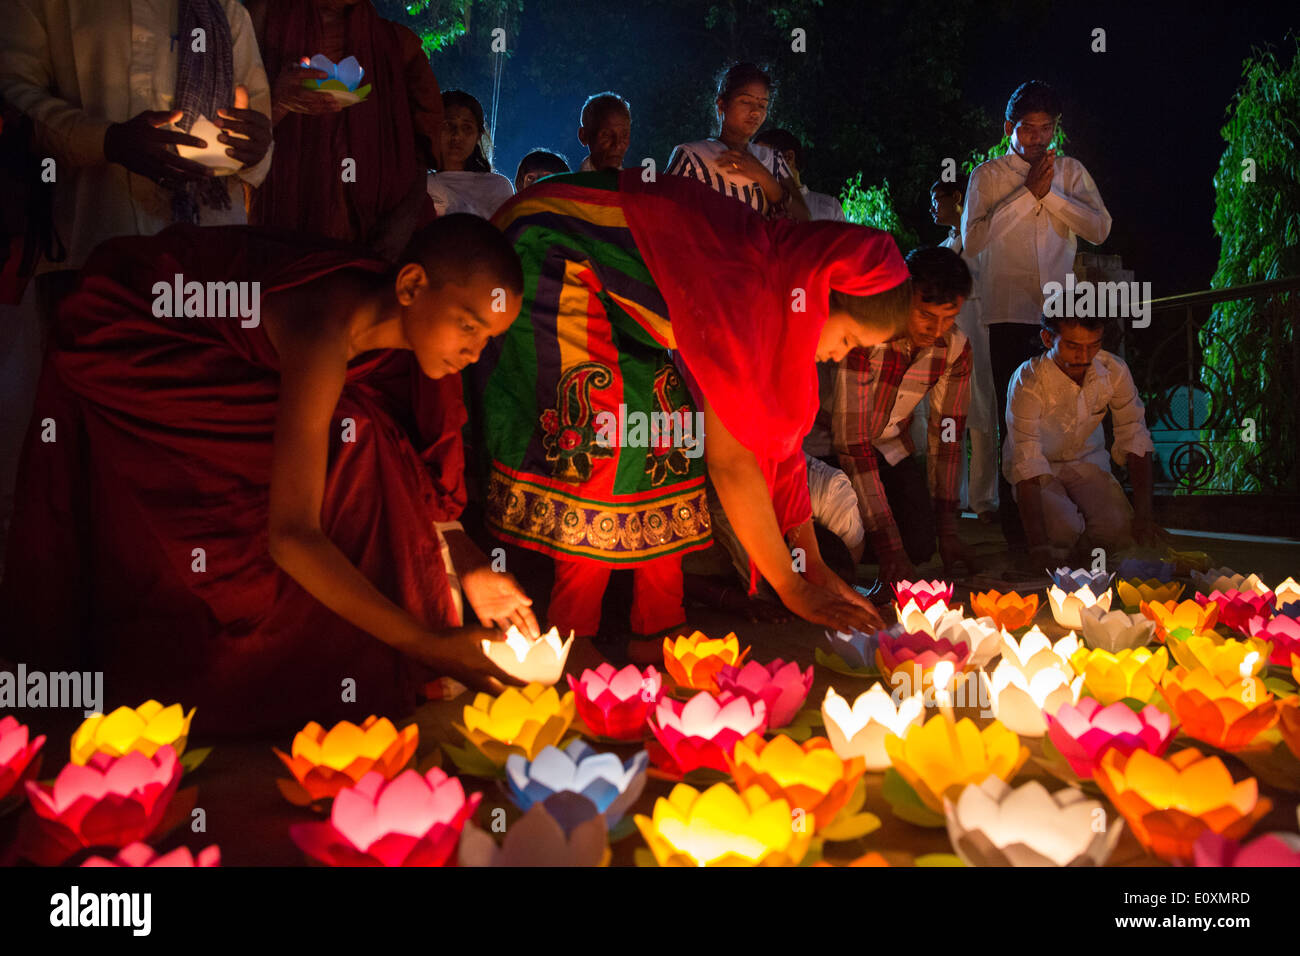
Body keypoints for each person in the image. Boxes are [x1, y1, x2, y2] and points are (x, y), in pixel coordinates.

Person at [0, 216, 537, 733]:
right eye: (469, 325)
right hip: (138, 346)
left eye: (490, 338)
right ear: (412, 284)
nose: (474, 351)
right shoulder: (321, 328)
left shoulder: (410, 352)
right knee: (351, 435)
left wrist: (469, 566)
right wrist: (424, 642)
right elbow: (291, 537)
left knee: (361, 430)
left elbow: (414, 470)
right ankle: (251, 656)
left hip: (226, 353)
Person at [476, 169, 908, 668]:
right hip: (548, 251)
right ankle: (569, 635)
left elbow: (781, 450)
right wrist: (791, 588)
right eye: (849, 340)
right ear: (819, 293)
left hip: (622, 308)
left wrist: (811, 565)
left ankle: (657, 626)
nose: (838, 356)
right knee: (606, 445)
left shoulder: (785, 285)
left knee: (671, 441)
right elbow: (733, 461)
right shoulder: (750, 288)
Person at [962, 80, 1112, 545]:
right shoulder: (987, 176)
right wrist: (1026, 194)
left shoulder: (1069, 171)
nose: (1037, 138)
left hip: (1061, 315)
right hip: (1007, 313)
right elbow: (972, 242)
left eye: (1046, 129)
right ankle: (1018, 531)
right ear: (1009, 127)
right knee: (1013, 422)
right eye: (1028, 129)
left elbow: (1101, 229)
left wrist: (1049, 195)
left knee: (1060, 419)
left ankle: (1067, 520)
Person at [246, 0, 443, 260]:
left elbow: (422, 148)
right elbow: (235, 130)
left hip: (380, 236)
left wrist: (404, 219)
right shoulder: (262, 27)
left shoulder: (395, 46)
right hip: (282, 230)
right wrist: (276, 103)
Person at [830, 246, 975, 584]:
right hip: (831, 448)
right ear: (904, 297)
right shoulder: (868, 334)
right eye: (926, 314)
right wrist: (888, 547)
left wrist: (948, 529)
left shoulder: (954, 349)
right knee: (851, 546)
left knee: (921, 545)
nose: (936, 329)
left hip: (889, 447)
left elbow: (949, 434)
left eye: (949, 317)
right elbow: (851, 444)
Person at [1005, 310, 1168, 566]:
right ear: (1048, 339)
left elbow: (1134, 435)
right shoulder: (1028, 381)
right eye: (1072, 346)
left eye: (1094, 345)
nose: (1084, 357)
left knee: (1119, 530)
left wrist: (1144, 517)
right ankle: (1061, 543)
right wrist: (1038, 546)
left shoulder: (1113, 370)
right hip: (1041, 470)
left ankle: (1083, 549)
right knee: (1061, 531)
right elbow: (1027, 462)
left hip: (1087, 463)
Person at [931, 176, 998, 521]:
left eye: (937, 199)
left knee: (982, 413)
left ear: (957, 198)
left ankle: (985, 500)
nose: (933, 208)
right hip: (952, 329)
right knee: (949, 413)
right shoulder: (945, 246)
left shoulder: (982, 239)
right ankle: (950, 497)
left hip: (979, 324)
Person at [665, 62, 811, 221]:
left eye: (762, 105)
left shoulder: (773, 160)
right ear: (721, 104)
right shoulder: (692, 157)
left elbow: (804, 219)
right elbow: (664, 214)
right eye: (746, 101)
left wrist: (764, 177)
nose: (755, 112)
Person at [425, 90, 515, 219]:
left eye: (467, 128)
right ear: (435, 130)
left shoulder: (498, 187)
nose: (456, 136)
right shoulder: (423, 187)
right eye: (448, 125)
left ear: (478, 136)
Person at [754, 127, 846, 222]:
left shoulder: (828, 207)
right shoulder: (756, 207)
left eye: (763, 158)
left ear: (789, 157)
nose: (756, 168)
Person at [577, 92, 631, 172]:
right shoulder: (566, 183)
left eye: (624, 136)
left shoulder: (637, 182)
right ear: (583, 136)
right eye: (606, 135)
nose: (617, 145)